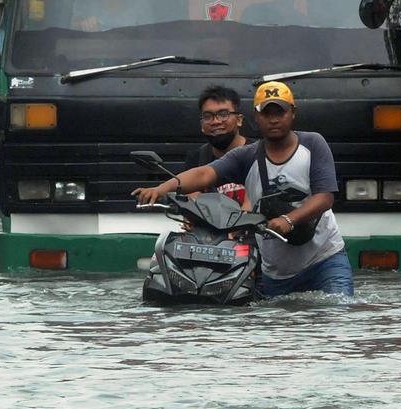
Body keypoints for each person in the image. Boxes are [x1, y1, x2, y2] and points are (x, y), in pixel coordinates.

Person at [134, 81, 352, 297]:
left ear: (293, 113)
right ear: (256, 117)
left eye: (280, 112)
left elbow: (325, 197)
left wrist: (288, 220)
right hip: (276, 273)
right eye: (266, 113)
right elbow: (204, 174)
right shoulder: (246, 156)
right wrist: (161, 189)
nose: (274, 119)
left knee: (337, 309)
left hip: (324, 261)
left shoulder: (313, 144)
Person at [183, 84, 252, 204]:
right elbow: (190, 200)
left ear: (239, 120)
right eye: (208, 116)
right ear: (202, 125)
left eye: (223, 114)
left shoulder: (258, 153)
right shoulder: (197, 159)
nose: (216, 121)